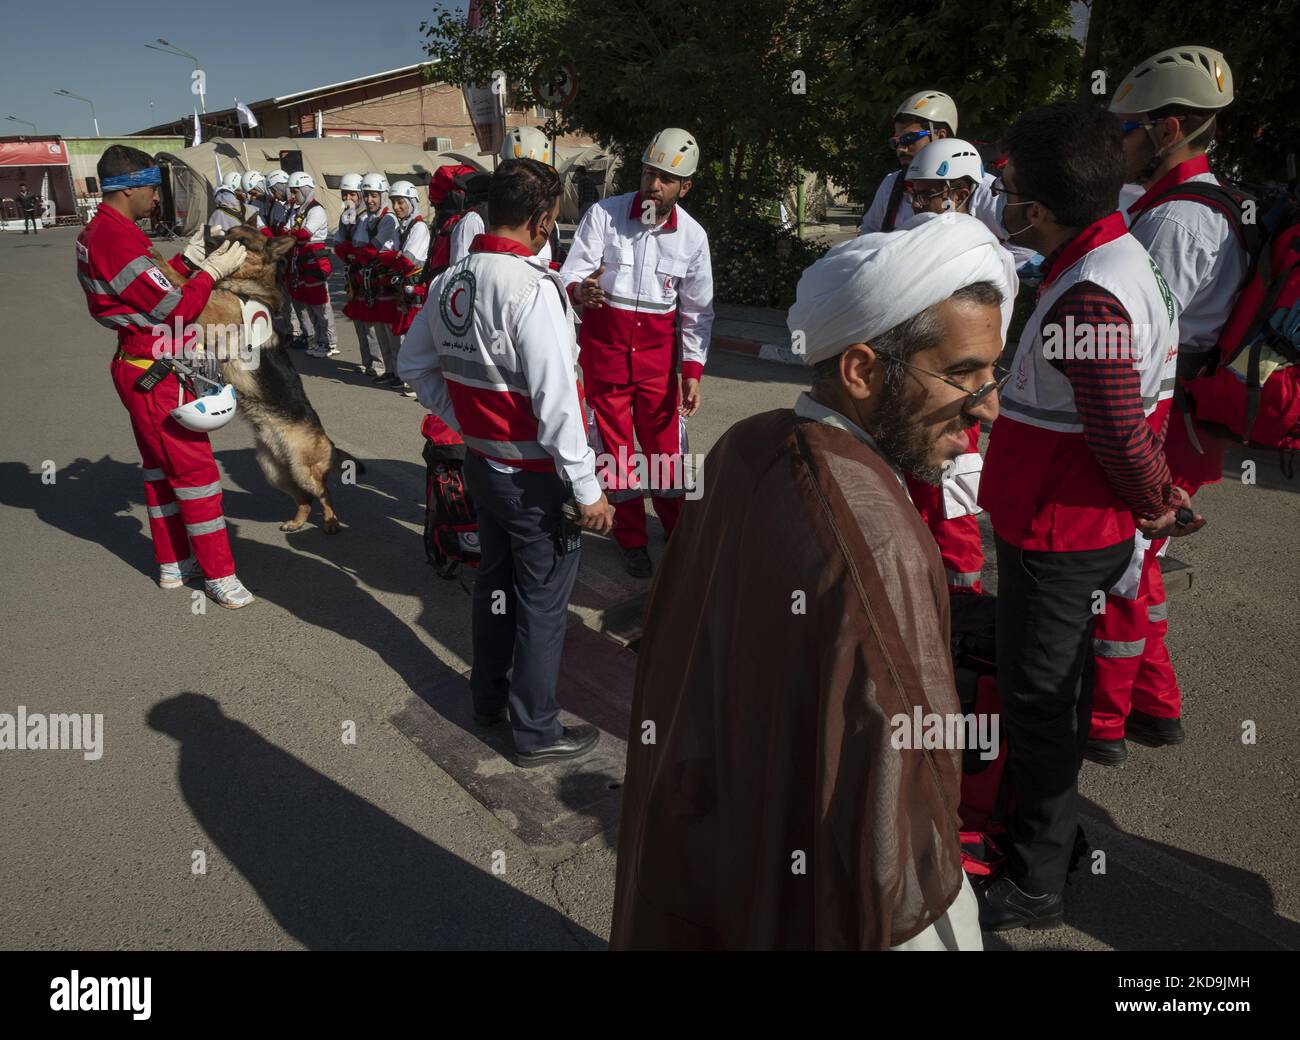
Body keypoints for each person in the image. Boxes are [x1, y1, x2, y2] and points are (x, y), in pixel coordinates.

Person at [611, 213, 1014, 950]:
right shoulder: (878, 537)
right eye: (961, 374)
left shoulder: (748, 444)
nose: (988, 403)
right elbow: (901, 811)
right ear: (861, 370)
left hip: (712, 850)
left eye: (994, 372)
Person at [977, 103, 1203, 930]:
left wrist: (1159, 502)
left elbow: (1114, 426)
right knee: (1059, 695)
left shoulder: (1091, 298)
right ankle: (1047, 836)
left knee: (1040, 702)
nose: (996, 194)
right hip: (1071, 520)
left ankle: (1033, 879)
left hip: (1057, 527)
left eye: (1005, 184)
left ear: (1035, 209)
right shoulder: (1110, 258)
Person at [398, 158, 616, 766]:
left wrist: (470, 422)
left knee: (494, 584)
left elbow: (412, 366)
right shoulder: (533, 288)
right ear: (544, 222)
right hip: (535, 479)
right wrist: (588, 489)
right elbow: (558, 404)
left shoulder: (450, 279)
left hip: (482, 465)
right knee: (543, 607)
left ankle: (487, 700)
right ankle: (537, 732)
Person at [1086, 46, 1244, 763]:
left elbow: (1142, 342)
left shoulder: (1175, 221)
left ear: (1168, 127)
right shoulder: (1183, 205)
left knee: (1119, 564)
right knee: (1143, 566)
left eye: (1127, 128)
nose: (1120, 140)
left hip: (1162, 416)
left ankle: (1104, 724)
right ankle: (1156, 705)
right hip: (1177, 413)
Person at [75, 145, 254, 608]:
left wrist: (190, 262)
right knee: (196, 475)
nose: (156, 198)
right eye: (152, 187)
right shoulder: (113, 237)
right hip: (154, 370)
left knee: (161, 471)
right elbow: (173, 307)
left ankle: (175, 563)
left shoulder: (113, 230)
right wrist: (211, 273)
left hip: (145, 365)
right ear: (128, 186)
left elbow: (154, 287)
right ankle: (220, 576)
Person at [559, 127, 715, 578]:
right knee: (618, 456)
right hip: (605, 360)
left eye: (666, 178)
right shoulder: (604, 216)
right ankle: (631, 539)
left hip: (656, 369)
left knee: (666, 453)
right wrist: (579, 289)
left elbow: (697, 313)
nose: (653, 184)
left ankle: (678, 528)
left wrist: (692, 371)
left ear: (684, 187)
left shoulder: (692, 238)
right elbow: (571, 273)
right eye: (649, 173)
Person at [898, 138, 1020, 594]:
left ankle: (963, 607)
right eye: (915, 192)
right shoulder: (916, 245)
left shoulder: (986, 255)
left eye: (928, 192)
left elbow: (991, 340)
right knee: (911, 499)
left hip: (957, 399)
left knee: (950, 508)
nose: (917, 203)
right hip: (915, 394)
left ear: (962, 193)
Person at [862, 92, 1035, 267]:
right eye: (895, 142)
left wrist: (976, 275)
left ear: (942, 136)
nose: (901, 149)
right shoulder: (892, 184)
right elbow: (869, 234)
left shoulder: (983, 189)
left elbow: (1023, 245)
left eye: (908, 139)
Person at [449, 127, 555, 265]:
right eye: (519, 170)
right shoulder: (475, 220)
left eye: (536, 172)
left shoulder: (549, 221)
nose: (529, 180)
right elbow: (462, 280)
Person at [339, 172, 402, 383]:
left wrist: (356, 251)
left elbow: (371, 250)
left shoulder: (388, 219)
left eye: (374, 195)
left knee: (390, 334)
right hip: (368, 280)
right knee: (376, 329)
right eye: (366, 195)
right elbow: (346, 244)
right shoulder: (367, 219)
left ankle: (398, 372)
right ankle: (387, 369)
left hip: (384, 281)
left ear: (382, 195)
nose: (369, 200)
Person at [377, 179, 429, 395]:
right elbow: (383, 255)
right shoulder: (402, 227)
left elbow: (407, 260)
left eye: (401, 202)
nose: (396, 207)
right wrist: (394, 256)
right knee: (401, 335)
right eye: (394, 202)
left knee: (414, 336)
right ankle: (403, 375)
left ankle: (418, 381)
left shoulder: (419, 227)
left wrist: (395, 256)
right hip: (403, 288)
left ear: (411, 202)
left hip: (415, 289)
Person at [281, 172, 338, 358]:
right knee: (308, 303)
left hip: (315, 261)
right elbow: (286, 230)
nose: (293, 197)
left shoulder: (316, 210)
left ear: (304, 190)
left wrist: (290, 236)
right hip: (302, 261)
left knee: (321, 304)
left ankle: (330, 342)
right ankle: (319, 340)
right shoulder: (299, 210)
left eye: (296, 192)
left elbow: (304, 234)